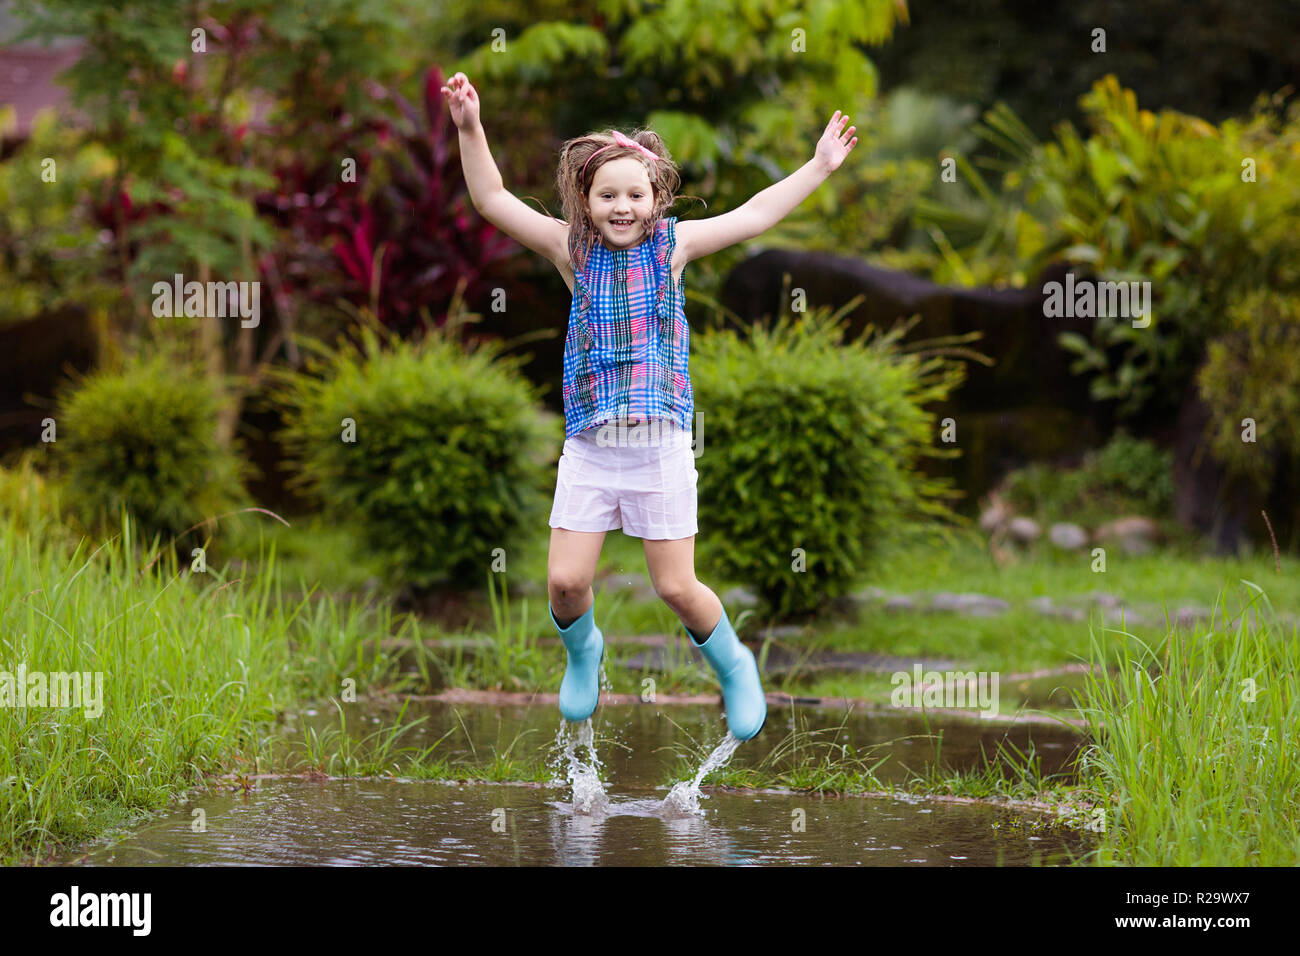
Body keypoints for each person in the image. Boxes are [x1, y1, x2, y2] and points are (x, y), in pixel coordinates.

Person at [441, 71, 856, 741]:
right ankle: (584, 653)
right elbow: (491, 198)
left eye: (636, 194)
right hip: (591, 447)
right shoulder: (569, 249)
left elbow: (755, 214)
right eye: (608, 195)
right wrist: (470, 127)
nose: (622, 206)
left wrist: (817, 166)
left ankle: (734, 666)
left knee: (676, 589)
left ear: (658, 197)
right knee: (566, 584)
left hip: (660, 445)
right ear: (585, 199)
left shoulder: (675, 246)